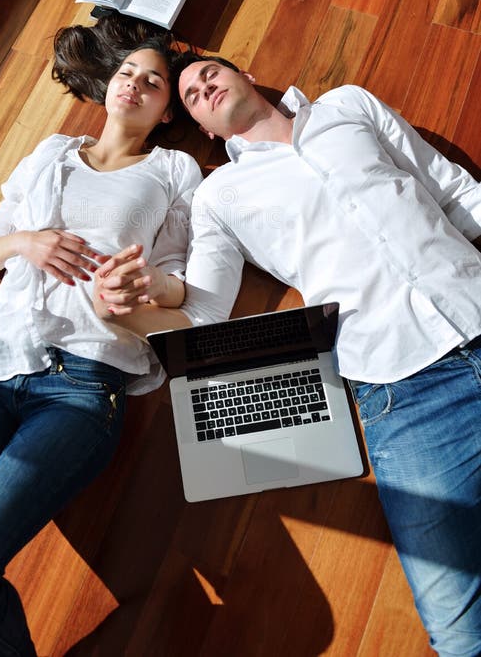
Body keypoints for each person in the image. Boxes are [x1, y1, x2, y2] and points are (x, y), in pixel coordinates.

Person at [94, 56, 481, 657]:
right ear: (204, 128)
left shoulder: (347, 106)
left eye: (210, 75)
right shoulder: (219, 195)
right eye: (192, 95)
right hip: (402, 393)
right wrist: (133, 302)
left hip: (475, 304)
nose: (204, 88)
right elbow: (202, 310)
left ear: (244, 73)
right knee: (459, 631)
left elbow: (455, 192)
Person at [0, 26, 202, 657]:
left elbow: (180, 284)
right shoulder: (53, 150)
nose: (136, 84)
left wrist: (136, 285)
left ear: (166, 110)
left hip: (81, 386)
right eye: (128, 73)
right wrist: (26, 243)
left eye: (153, 81)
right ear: (108, 85)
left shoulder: (174, 170)